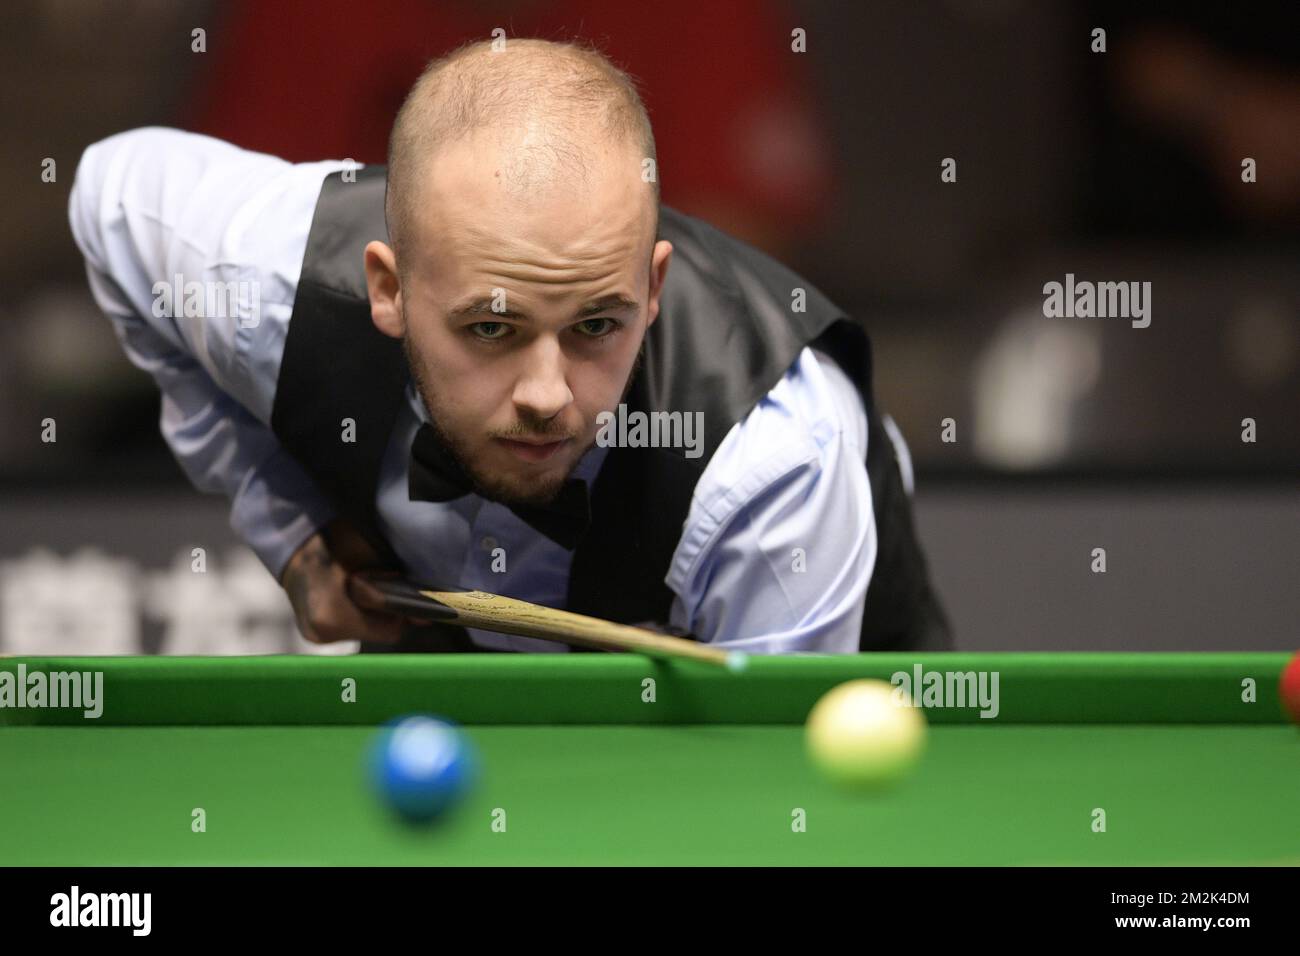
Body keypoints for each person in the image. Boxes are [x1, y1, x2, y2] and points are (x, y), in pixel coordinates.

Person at [69, 38, 948, 655]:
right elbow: (108, 195)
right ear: (389, 290)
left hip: (758, 682)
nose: (546, 395)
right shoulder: (258, 280)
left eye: (597, 326)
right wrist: (294, 536)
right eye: (491, 328)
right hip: (442, 646)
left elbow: (775, 803)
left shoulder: (776, 467)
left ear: (653, 290)